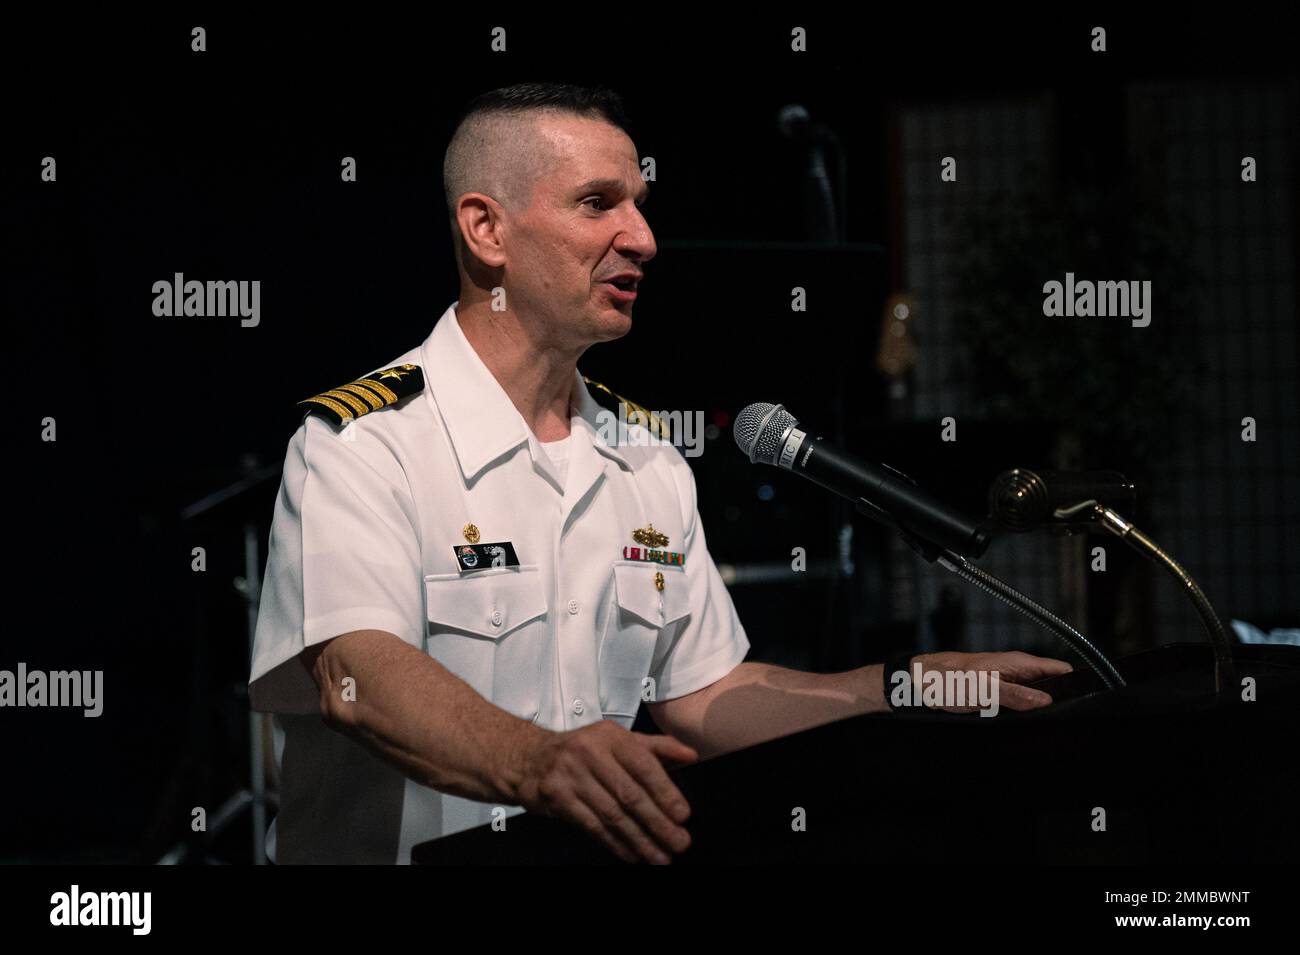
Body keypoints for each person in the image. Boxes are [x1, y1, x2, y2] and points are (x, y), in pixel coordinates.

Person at [248, 82, 1072, 865]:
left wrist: (899, 688)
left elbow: (706, 696)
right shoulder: (362, 444)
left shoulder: (647, 457)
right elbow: (359, 678)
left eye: (640, 204)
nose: (642, 236)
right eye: (598, 203)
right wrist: (538, 761)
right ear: (485, 229)